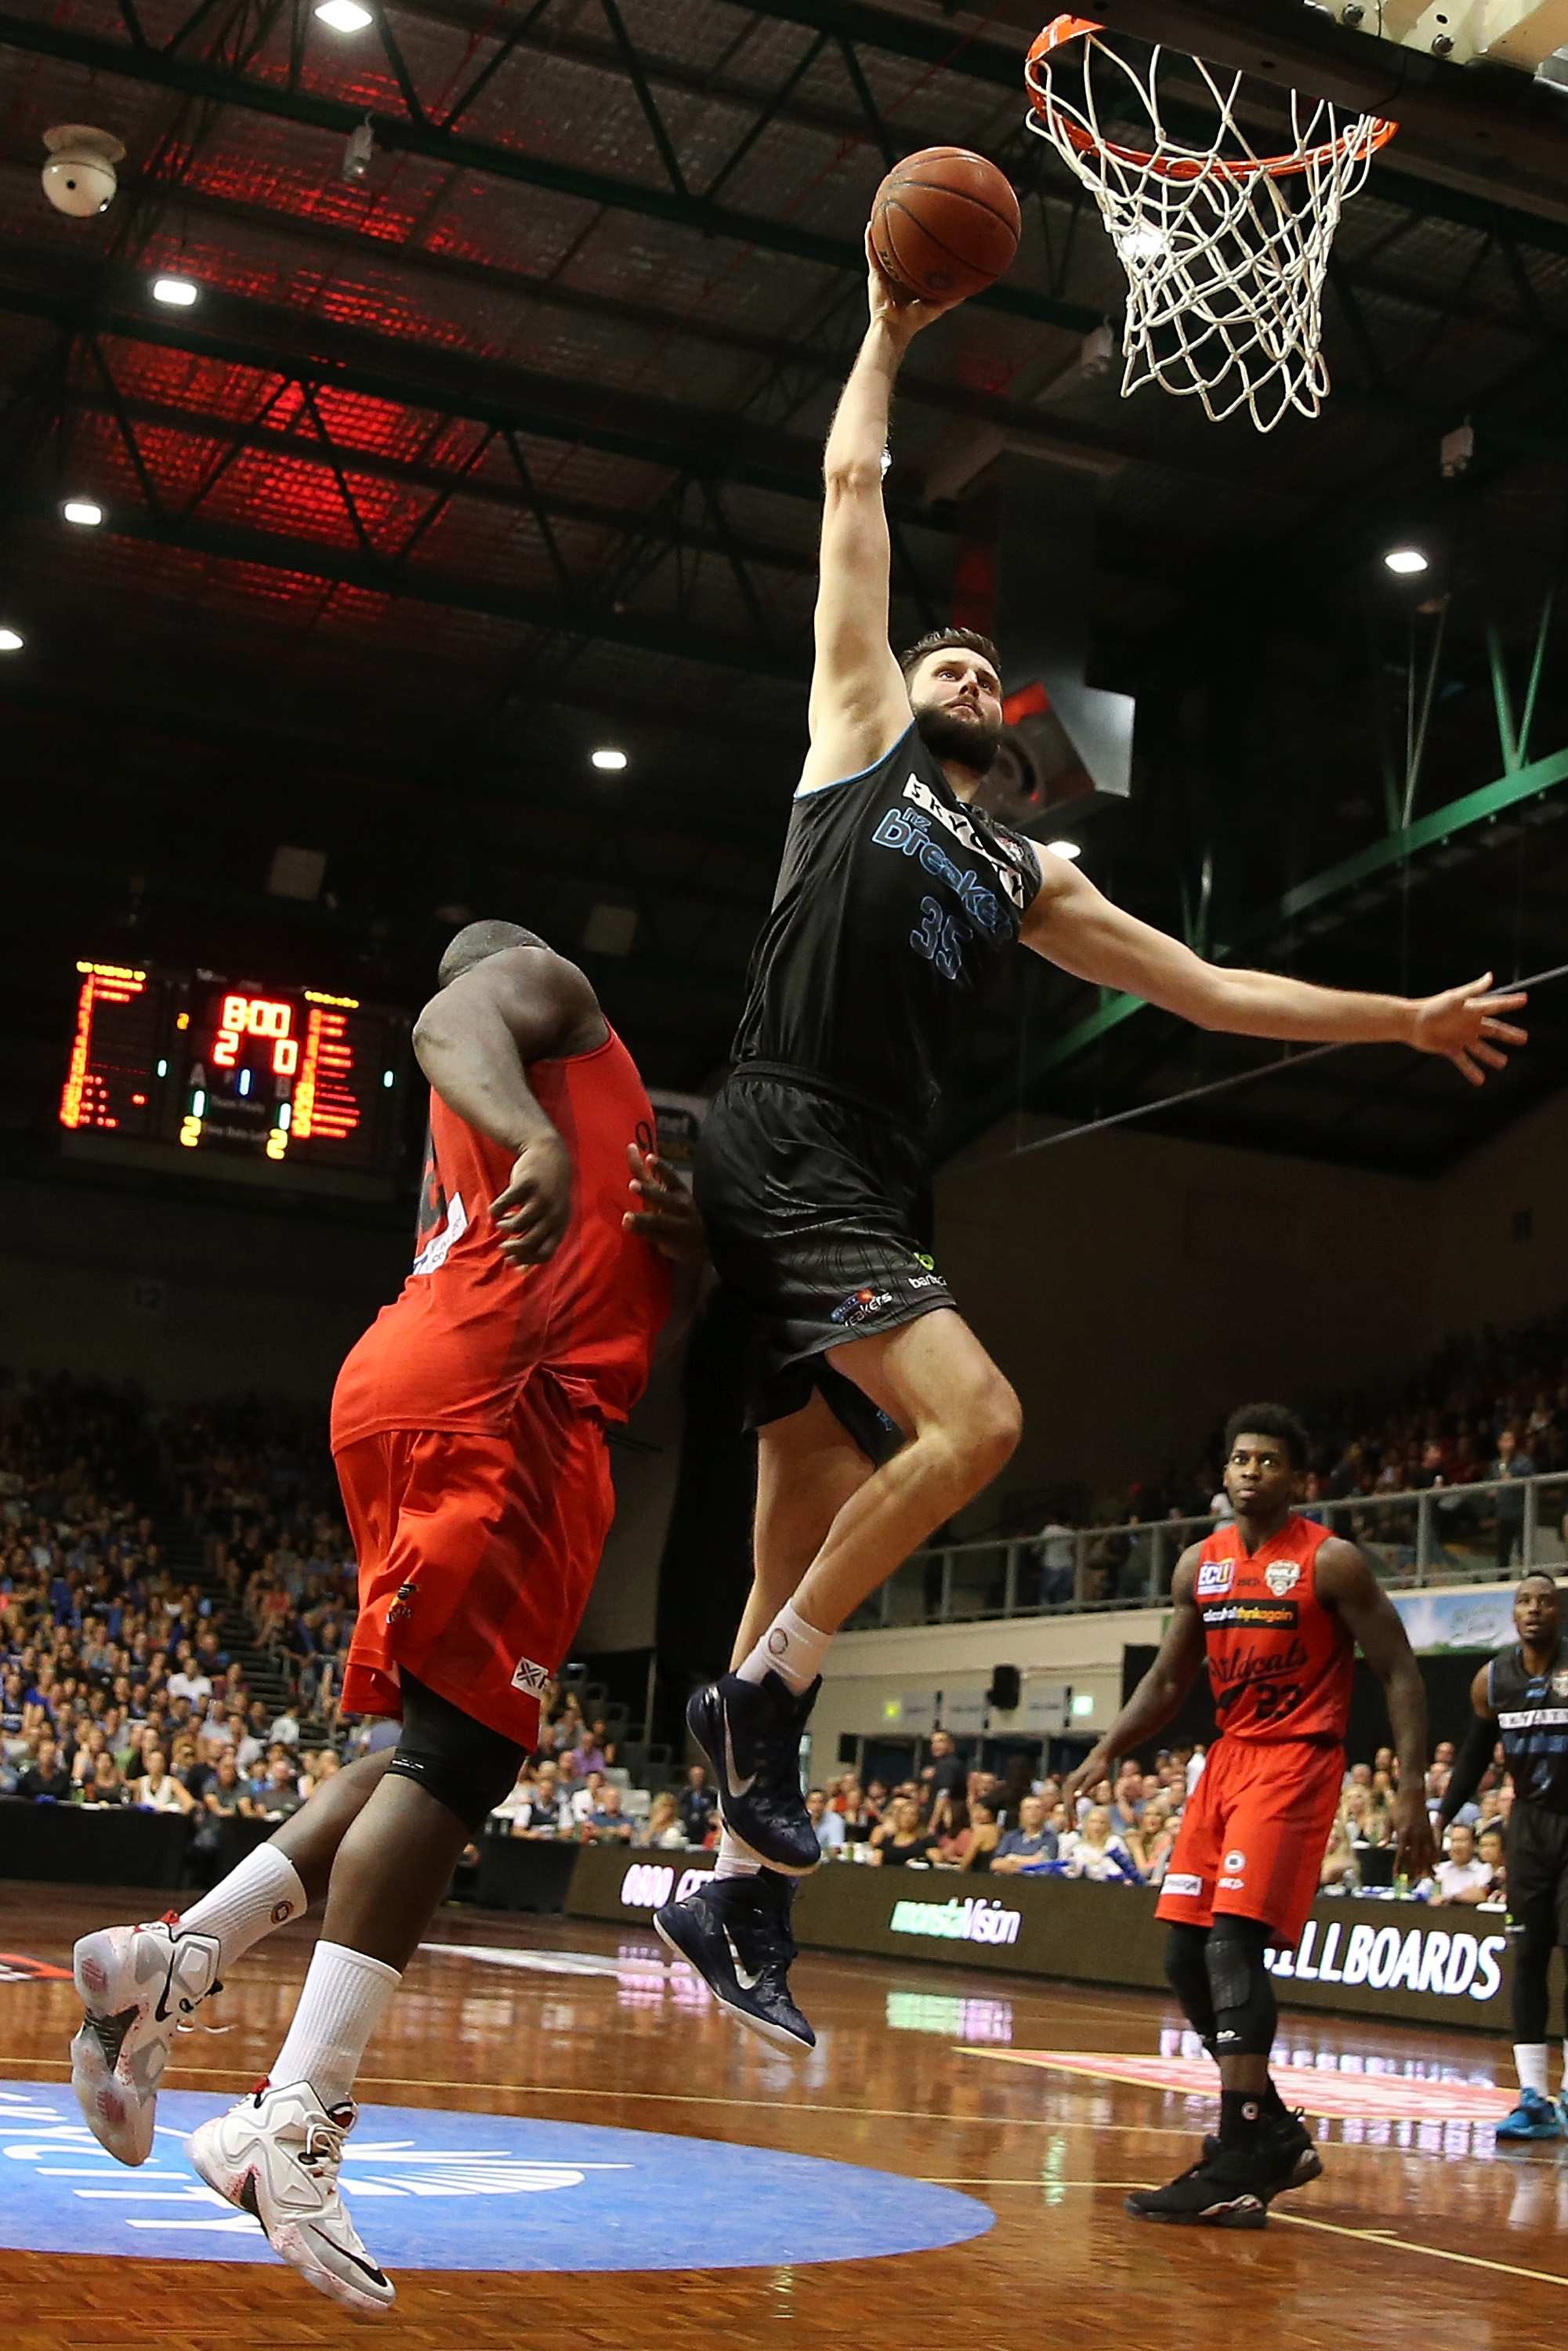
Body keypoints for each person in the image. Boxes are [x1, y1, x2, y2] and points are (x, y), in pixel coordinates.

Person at [652, 226, 1525, 2048]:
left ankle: (732, 1878)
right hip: (777, 1133)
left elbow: (1212, 991)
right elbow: (844, 489)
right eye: (942, 659)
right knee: (979, 1423)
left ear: (1018, 729)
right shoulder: (853, 738)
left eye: (978, 670)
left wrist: (1404, 1016)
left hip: (850, 1184)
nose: (958, 672)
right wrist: (882, 333)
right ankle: (761, 1706)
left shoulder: (1030, 873)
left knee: (794, 1524)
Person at [68, 917, 700, 2312]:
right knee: (463, 1759)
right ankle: (290, 2124)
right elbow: (441, 1025)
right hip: (505, 1400)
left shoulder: (581, 1138)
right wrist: (535, 1134)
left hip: (438, 1382)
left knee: (417, 1752)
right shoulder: (550, 998)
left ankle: (172, 1970)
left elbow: (648, 1281)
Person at [1064, 1403, 1434, 2228]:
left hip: (1296, 1760)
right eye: (1239, 1459)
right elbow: (1166, 1684)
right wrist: (1106, 1750)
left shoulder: (1332, 1564)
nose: (1250, 1472)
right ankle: (1270, 2134)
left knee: (1232, 1945)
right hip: (1226, 1762)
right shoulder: (1200, 1565)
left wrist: (1412, 1789)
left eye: (1268, 1461)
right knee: (1181, 1959)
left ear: (1295, 1479)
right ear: (1222, 1473)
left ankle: (1237, 2156)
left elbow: (1402, 1673)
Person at [1436, 1574, 1568, 2141]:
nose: (1533, 1609)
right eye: (1523, 1601)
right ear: (1512, 1615)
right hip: (1528, 1832)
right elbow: (1470, 1758)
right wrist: (1439, 1816)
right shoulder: (1492, 1680)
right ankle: (1532, 2097)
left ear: (1558, 1613)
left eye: (1544, 1601)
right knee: (1529, 1956)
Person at [990, 1792, 1057, 1873]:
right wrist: (1028, 1863)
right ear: (1021, 1814)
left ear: (1045, 1813)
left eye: (1038, 1808)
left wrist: (1012, 1858)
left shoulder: (1051, 1838)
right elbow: (995, 1864)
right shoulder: (1010, 1836)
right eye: (1028, 1808)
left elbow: (1042, 1864)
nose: (1033, 1811)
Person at [1429, 1821, 1492, 1906]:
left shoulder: (1483, 1870)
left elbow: (1481, 1895)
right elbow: (1420, 1893)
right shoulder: (1440, 1869)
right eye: (1454, 1841)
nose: (1457, 1846)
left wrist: (1449, 1899)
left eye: (1462, 1841)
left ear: (1473, 1845)